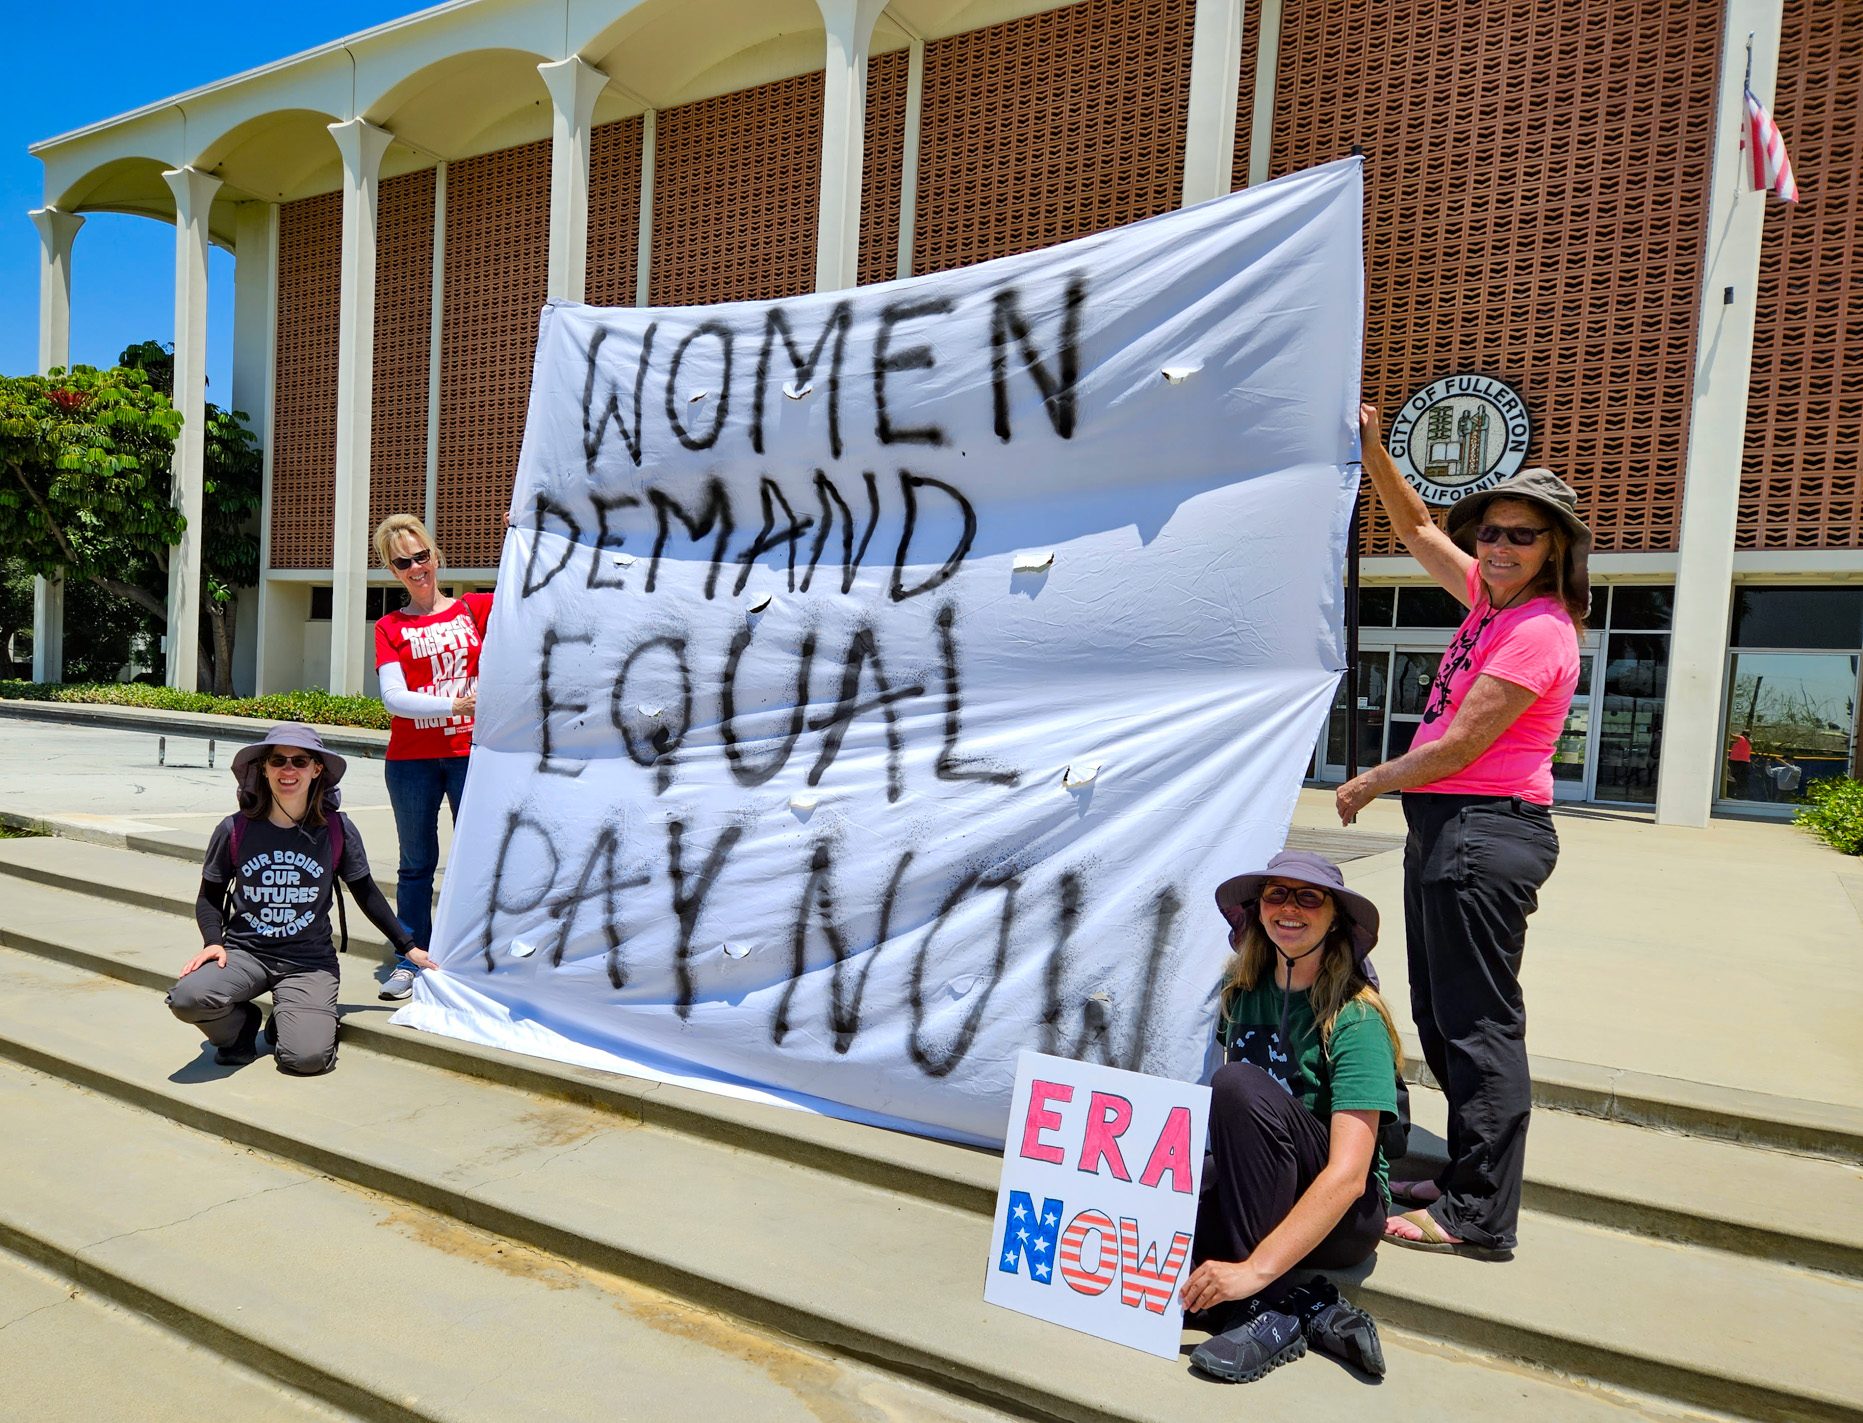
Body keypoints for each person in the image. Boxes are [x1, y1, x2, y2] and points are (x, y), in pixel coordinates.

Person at [1338, 405, 1586, 1260]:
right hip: (1449, 827)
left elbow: (1460, 745)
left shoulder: (1539, 631)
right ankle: (1463, 1175)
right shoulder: (1487, 599)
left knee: (1478, 1022)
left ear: (1554, 547)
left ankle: (1479, 1216)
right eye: (1488, 533)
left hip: (1486, 829)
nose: (1497, 547)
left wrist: (1371, 779)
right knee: (1441, 1017)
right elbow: (1410, 524)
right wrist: (1372, 446)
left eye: (1520, 535)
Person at [1181, 851, 1395, 1384]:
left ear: (1335, 918)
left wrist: (1254, 1271)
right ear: (1257, 910)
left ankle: (1269, 1311)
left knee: (1235, 1084)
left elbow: (1347, 1177)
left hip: (1344, 1213)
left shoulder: (1356, 1016)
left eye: (1308, 897)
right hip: (1263, 1186)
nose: (1289, 909)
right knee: (1164, 1228)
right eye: (1276, 894)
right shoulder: (1242, 994)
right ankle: (1310, 1305)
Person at [166, 724, 435, 1073]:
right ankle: (239, 1029)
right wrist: (213, 942)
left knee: (305, 1059)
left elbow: (366, 892)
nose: (288, 770)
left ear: (316, 769)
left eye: (300, 761)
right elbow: (210, 896)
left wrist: (408, 945)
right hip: (246, 952)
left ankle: (292, 1019)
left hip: (308, 961)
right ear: (264, 767)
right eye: (278, 760)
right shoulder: (235, 829)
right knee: (188, 999)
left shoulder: (337, 830)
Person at [371, 513, 493, 1000]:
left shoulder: (474, 610)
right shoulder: (389, 626)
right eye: (404, 562)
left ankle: (471, 951)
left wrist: (516, 529)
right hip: (412, 760)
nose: (417, 567)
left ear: (436, 555)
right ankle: (411, 955)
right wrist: (455, 704)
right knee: (416, 863)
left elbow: (531, 589)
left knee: (476, 858)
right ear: (393, 570)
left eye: (422, 555)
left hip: (470, 754)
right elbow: (394, 699)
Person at [1727, 731, 1754, 799]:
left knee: (1731, 778)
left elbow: (1732, 735)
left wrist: (1726, 730)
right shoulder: (1749, 742)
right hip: (1745, 763)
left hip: (1736, 762)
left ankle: (1732, 793)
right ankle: (1741, 795)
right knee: (1742, 781)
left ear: (1743, 734)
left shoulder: (1741, 738)